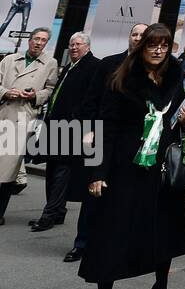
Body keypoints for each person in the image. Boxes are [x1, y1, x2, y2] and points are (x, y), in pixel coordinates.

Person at [79, 23, 185, 289]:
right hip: (124, 168)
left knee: (163, 234)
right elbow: (106, 127)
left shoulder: (174, 79)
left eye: (164, 45)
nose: (158, 50)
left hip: (161, 170)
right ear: (142, 47)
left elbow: (177, 125)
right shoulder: (121, 78)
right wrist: (98, 172)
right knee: (112, 235)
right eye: (153, 44)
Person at [63, 22, 147, 262]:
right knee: (94, 193)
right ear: (129, 37)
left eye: (143, 34)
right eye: (135, 33)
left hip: (133, 143)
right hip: (102, 138)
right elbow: (91, 100)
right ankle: (82, 243)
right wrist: (89, 130)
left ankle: (116, 245)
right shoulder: (108, 64)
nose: (138, 38)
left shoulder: (153, 71)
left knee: (124, 197)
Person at [31, 32, 101, 233]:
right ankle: (58, 211)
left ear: (87, 46)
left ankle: (49, 214)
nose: (73, 47)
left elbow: (92, 100)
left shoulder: (93, 66)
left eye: (78, 44)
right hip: (55, 126)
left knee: (62, 172)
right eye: (71, 44)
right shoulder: (70, 66)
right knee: (52, 169)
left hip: (72, 129)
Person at [0, 27, 57, 224]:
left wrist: (35, 96)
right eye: (36, 39)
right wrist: (6, 92)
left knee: (8, 170)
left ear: (46, 43)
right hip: (2, 113)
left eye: (43, 40)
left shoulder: (50, 63)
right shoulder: (9, 60)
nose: (39, 43)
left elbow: (50, 89)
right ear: (29, 40)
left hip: (22, 118)